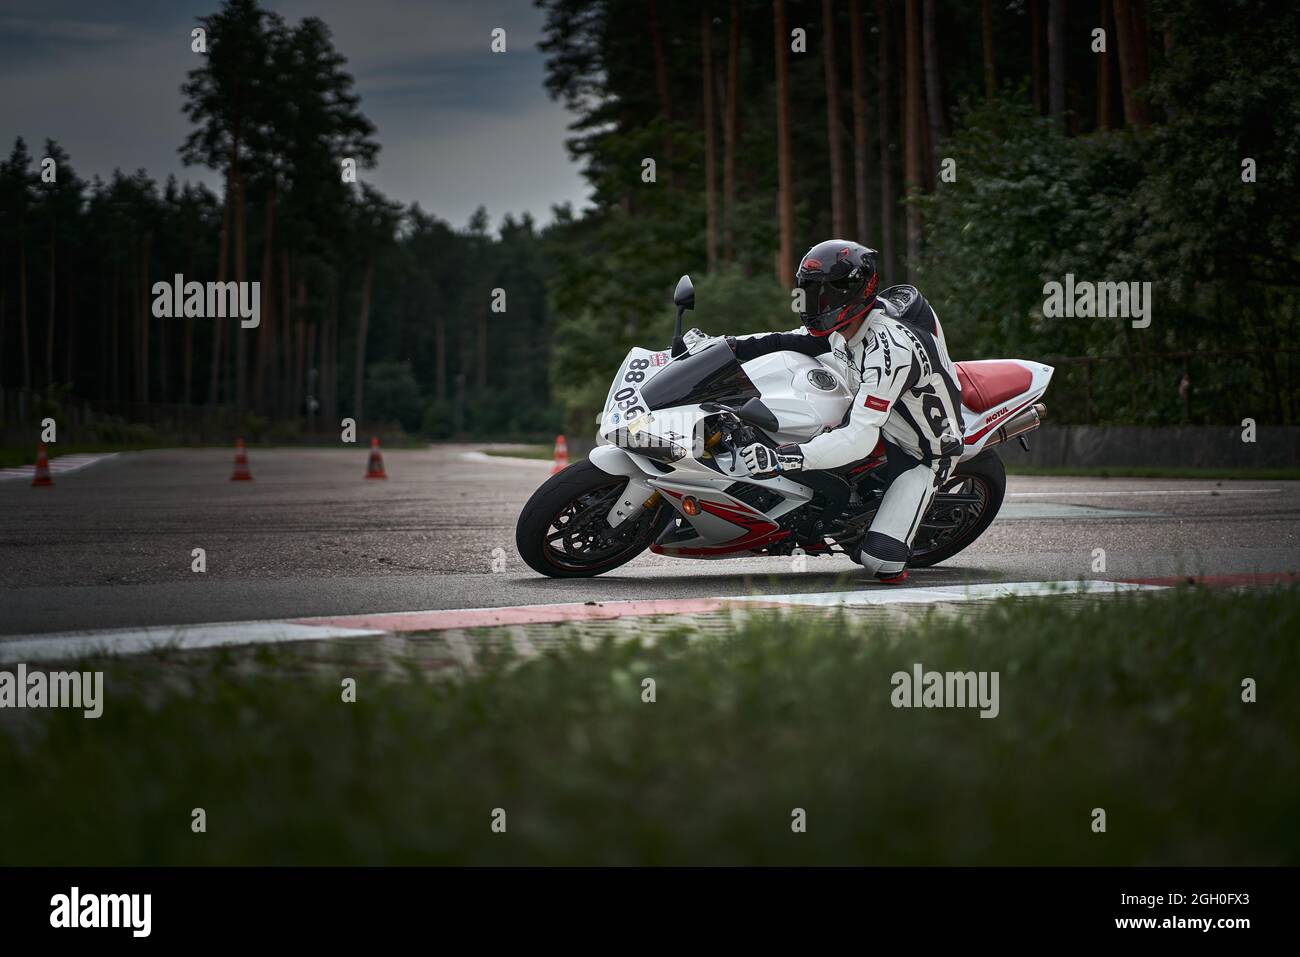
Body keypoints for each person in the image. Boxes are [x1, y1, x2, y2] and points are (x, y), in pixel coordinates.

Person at [686, 239, 964, 584]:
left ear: (856, 290)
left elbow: (859, 437)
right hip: (877, 410)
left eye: (828, 292)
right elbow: (785, 339)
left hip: (920, 448)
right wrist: (725, 345)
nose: (817, 301)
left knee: (882, 564)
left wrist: (781, 459)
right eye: (811, 290)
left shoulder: (888, 353)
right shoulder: (845, 323)